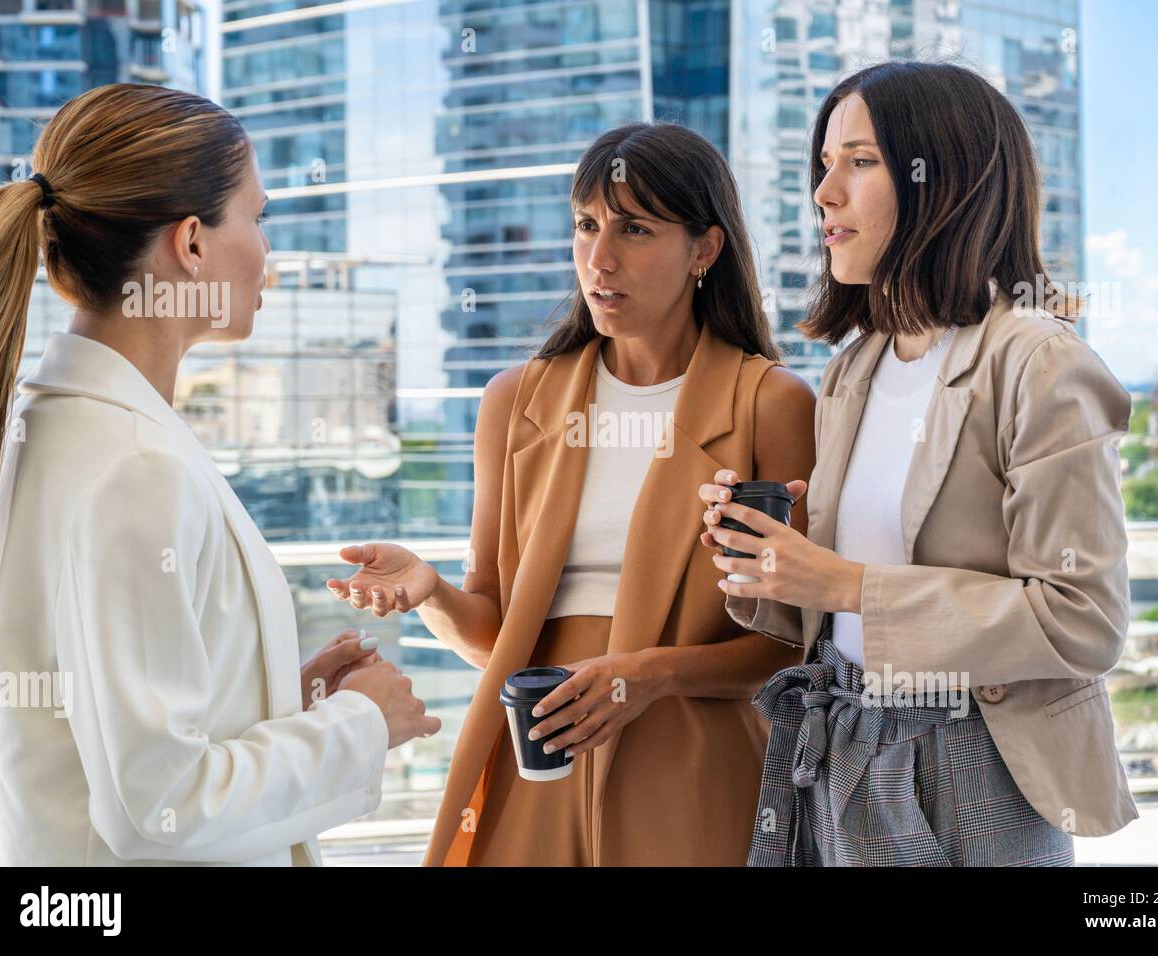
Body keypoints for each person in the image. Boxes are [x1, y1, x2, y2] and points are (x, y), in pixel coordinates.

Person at [0, 83, 438, 866]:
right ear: (191, 245)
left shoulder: (51, 428)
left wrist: (283, 697)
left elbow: (109, 731)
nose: (268, 254)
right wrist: (357, 724)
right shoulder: (132, 466)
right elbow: (157, 803)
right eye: (256, 218)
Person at [328, 122, 815, 865]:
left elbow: (795, 647)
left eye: (636, 229)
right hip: (537, 767)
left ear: (705, 250)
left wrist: (648, 675)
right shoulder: (516, 402)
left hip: (695, 770)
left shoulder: (770, 404)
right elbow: (498, 636)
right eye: (586, 226)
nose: (600, 257)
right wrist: (430, 592)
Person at [699, 61, 1139, 866]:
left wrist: (842, 583)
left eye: (860, 162)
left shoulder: (1038, 361)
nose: (825, 193)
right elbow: (840, 610)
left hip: (974, 756)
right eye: (824, 164)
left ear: (948, 182)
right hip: (843, 742)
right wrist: (770, 564)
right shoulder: (854, 367)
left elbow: (1085, 620)